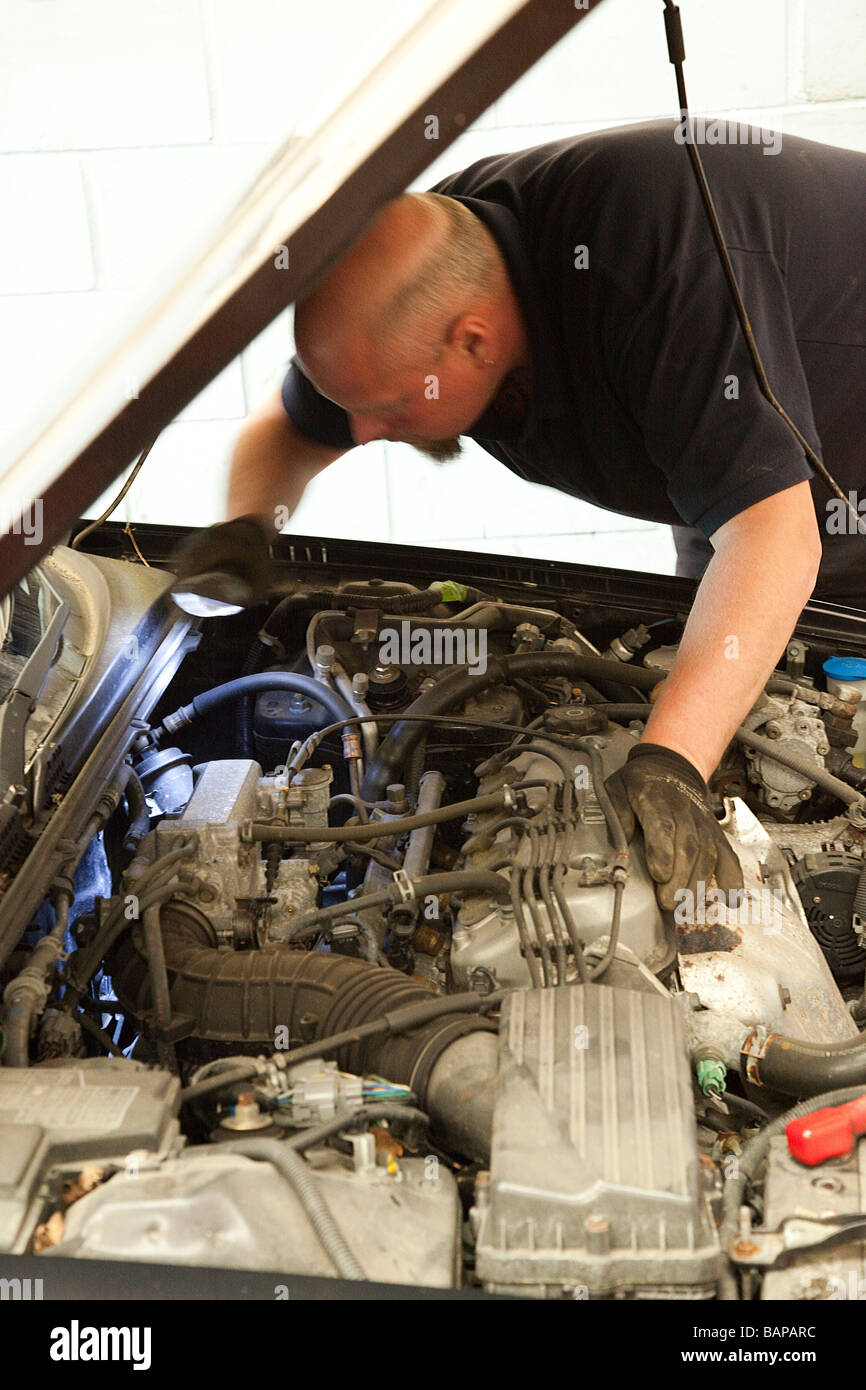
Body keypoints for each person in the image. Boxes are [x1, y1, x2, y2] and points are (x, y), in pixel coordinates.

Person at [172, 118, 866, 910]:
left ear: (472, 341)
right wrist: (243, 530)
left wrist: (671, 762)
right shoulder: (418, 281)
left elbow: (775, 539)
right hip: (770, 468)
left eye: (389, 410)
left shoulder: (655, 265)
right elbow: (288, 430)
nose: (362, 435)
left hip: (831, 482)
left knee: (821, 731)